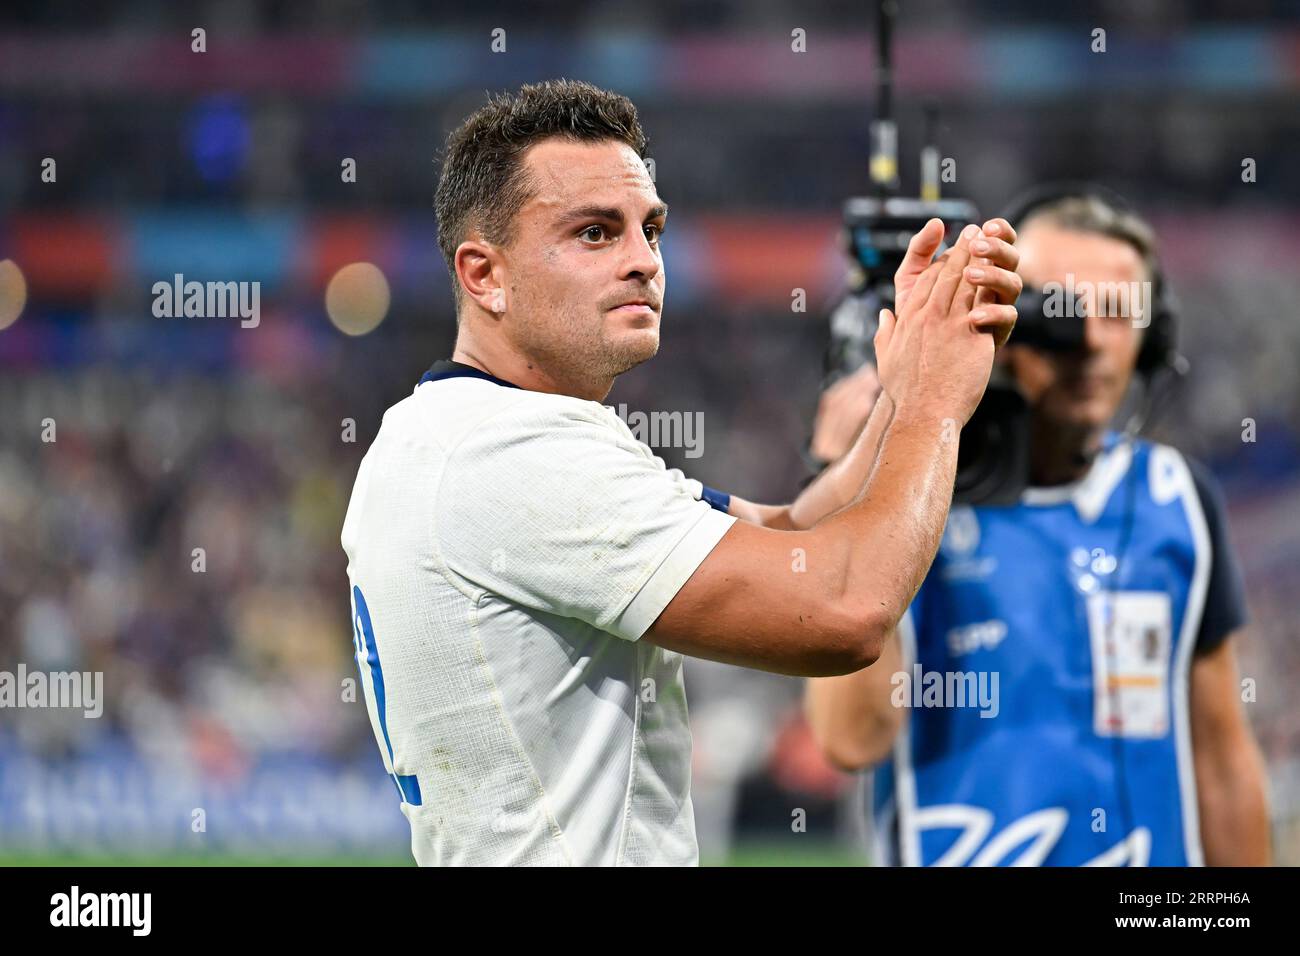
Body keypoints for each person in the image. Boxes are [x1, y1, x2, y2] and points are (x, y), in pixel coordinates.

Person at [339, 79, 1020, 865]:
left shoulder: (452, 431)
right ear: (483, 274)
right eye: (595, 233)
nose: (642, 261)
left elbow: (787, 532)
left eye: (650, 229)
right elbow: (846, 609)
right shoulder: (512, 455)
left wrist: (899, 395)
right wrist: (937, 404)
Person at [805, 186, 1272, 866]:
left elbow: (1222, 760)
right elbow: (852, 739)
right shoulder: (916, 494)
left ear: (1153, 336)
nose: (1088, 338)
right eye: (1056, 305)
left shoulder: (1177, 497)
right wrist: (847, 485)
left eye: (1117, 310)